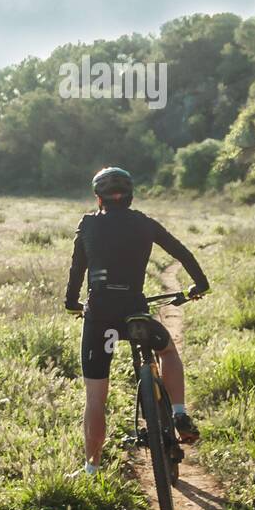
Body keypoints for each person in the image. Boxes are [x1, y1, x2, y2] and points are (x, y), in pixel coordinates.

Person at [64, 165, 210, 477]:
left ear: (98, 198)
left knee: (95, 397)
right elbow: (182, 253)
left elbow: (78, 269)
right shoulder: (144, 223)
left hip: (100, 316)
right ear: (130, 196)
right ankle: (179, 412)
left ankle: (91, 468)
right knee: (167, 351)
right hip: (134, 309)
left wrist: (71, 303)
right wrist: (199, 284)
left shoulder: (88, 225)